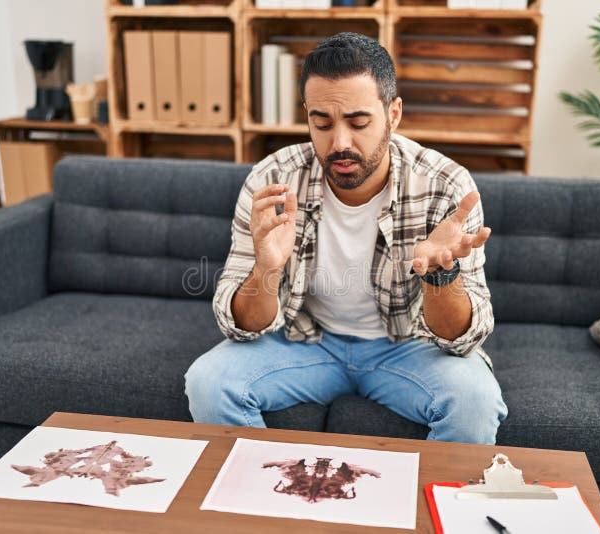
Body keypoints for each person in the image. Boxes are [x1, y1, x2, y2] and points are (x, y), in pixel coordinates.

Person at [184, 32, 507, 444]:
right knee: (209, 383)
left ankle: (425, 508)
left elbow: (464, 337)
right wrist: (267, 268)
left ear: (394, 114)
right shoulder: (273, 179)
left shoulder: (446, 186)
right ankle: (264, 498)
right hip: (306, 341)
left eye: (358, 123)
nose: (339, 143)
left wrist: (440, 275)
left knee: (475, 403)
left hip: (408, 347)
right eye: (322, 123)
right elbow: (241, 327)